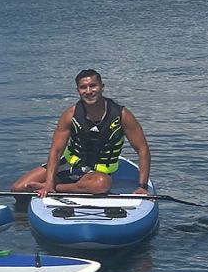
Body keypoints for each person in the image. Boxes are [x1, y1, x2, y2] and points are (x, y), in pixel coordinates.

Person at [10, 68, 151, 199]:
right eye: (83, 87)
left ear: (102, 87)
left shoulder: (122, 115)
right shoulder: (70, 114)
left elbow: (142, 149)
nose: (89, 91)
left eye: (93, 86)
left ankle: (59, 188)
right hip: (69, 166)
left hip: (98, 174)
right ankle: (61, 187)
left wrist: (143, 186)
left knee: (100, 184)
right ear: (78, 90)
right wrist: (49, 181)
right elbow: (56, 151)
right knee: (19, 188)